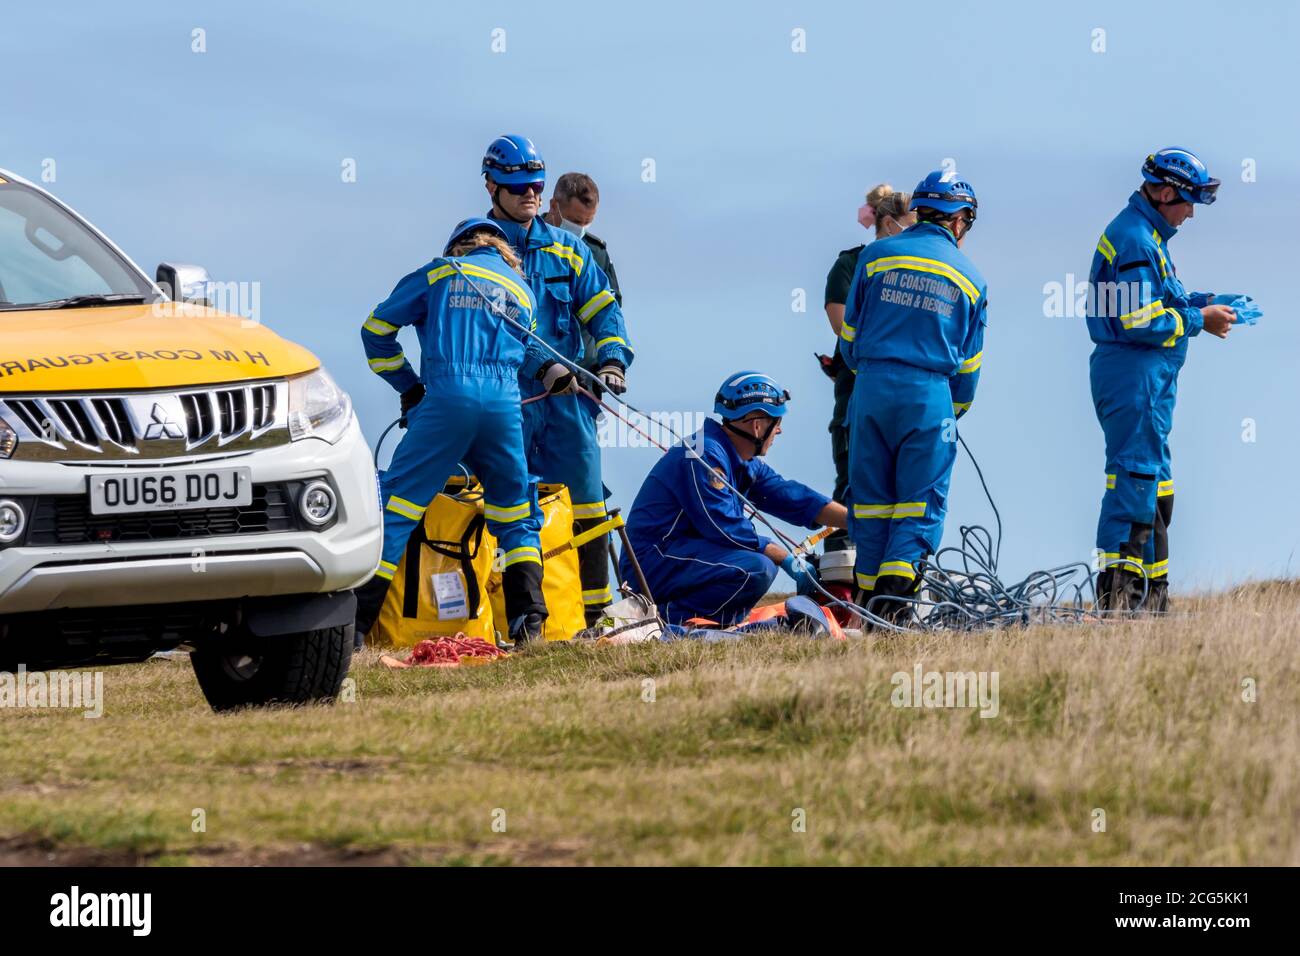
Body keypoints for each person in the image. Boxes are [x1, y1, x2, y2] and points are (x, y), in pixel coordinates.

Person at [352, 218, 550, 644]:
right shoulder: (523, 291)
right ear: (501, 250)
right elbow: (531, 351)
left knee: (398, 507)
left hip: (446, 398)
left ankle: (351, 628)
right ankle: (529, 627)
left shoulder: (441, 271)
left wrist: (408, 386)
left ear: (460, 245)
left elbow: (376, 331)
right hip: (502, 406)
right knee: (515, 514)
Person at [481, 135, 634, 627]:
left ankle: (595, 618)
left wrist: (612, 360)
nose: (529, 193)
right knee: (509, 506)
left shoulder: (570, 252)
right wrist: (539, 367)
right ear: (491, 186)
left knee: (588, 502)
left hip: (571, 402)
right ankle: (518, 619)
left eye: (536, 185)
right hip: (509, 400)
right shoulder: (479, 249)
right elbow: (487, 324)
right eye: (518, 185)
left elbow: (604, 311)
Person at [1087, 148, 1235, 613]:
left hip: (1147, 378)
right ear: (1166, 192)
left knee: (1155, 483)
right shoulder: (1135, 240)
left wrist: (1201, 301)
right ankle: (1121, 600)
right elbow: (1138, 320)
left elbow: (1159, 299)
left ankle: (1153, 600)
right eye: (1188, 201)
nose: (1190, 213)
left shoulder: (1148, 235)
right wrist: (1199, 320)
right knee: (1133, 480)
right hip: (1133, 376)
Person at [838, 170, 988, 626]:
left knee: (871, 503)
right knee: (919, 505)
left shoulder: (876, 256)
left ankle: (865, 611)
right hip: (929, 396)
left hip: (870, 392)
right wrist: (949, 413)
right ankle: (894, 608)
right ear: (960, 220)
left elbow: (849, 341)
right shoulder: (971, 279)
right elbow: (967, 371)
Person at [619, 372, 848, 626]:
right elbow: (723, 526)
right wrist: (784, 558)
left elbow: (793, 497)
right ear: (757, 424)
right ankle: (659, 621)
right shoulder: (704, 453)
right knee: (756, 568)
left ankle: (707, 622)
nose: (779, 430)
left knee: (757, 565)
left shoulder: (738, 459)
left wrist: (855, 521)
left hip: (680, 557)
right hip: (653, 561)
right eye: (777, 421)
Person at [821, 185, 916, 549]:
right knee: (854, 487)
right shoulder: (851, 264)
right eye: (913, 225)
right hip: (859, 394)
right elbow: (844, 326)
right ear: (890, 224)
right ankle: (842, 585)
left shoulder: (921, 269)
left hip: (908, 394)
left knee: (907, 487)